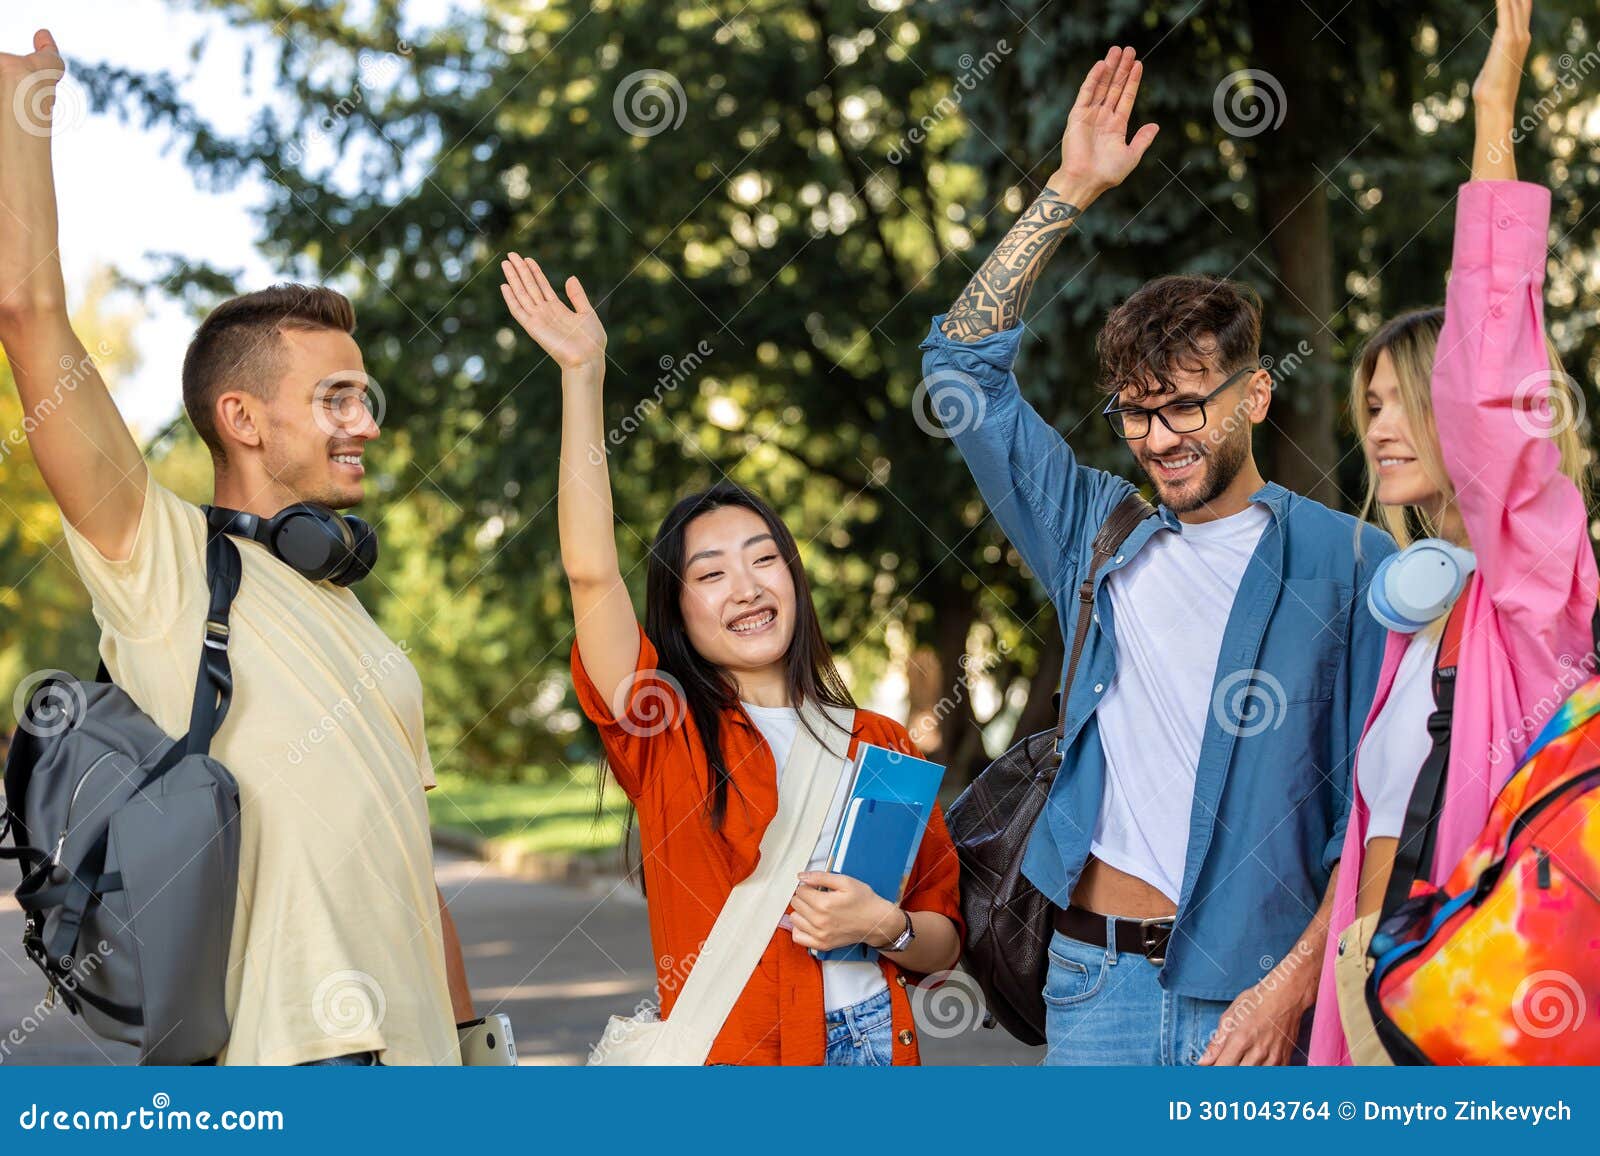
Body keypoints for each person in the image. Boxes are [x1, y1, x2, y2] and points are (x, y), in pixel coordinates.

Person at [0, 31, 474, 1065]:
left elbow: (409, 867)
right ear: (244, 418)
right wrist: (25, 111)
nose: (367, 421)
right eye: (335, 397)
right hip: (297, 1063)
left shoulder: (346, 608)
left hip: (426, 1066)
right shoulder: (164, 565)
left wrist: (473, 1043)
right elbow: (29, 315)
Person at [920, 46, 1394, 1065]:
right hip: (1095, 984)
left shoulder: (1350, 562)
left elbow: (1380, 805)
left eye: (1186, 404)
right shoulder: (1096, 532)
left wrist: (1291, 987)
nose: (1158, 435)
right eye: (1136, 410)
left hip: (1258, 999)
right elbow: (957, 366)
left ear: (1253, 395)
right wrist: (1067, 190)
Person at [497, 253, 962, 1065]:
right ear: (678, 612)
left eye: (764, 559)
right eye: (710, 574)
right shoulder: (662, 730)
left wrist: (881, 924)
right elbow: (589, 570)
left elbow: (941, 941)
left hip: (874, 1053)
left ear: (795, 575)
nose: (744, 587)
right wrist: (583, 375)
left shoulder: (880, 744)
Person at [1309, 0, 1598, 1066]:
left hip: (1472, 1011)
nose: (1375, 424)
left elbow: (1494, 390)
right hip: (1373, 986)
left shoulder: (1530, 581)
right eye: (1367, 404)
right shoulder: (1416, 614)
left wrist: (1492, 113)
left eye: (1397, 399)